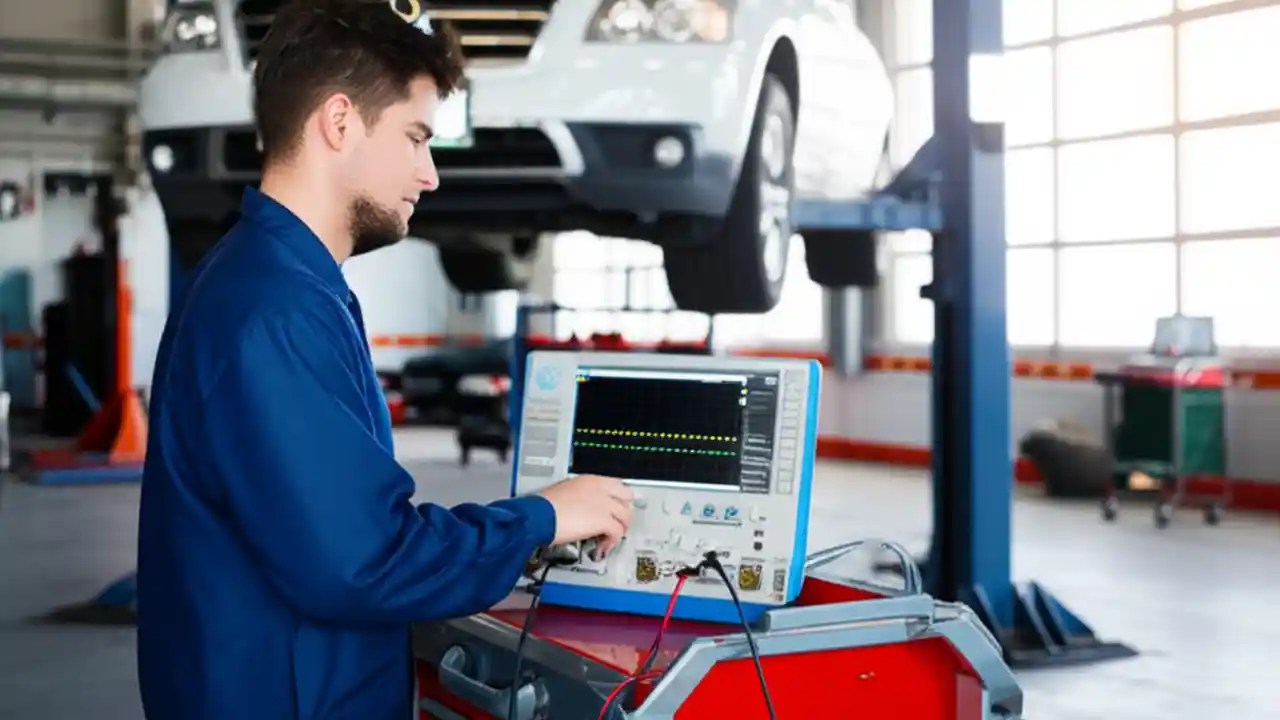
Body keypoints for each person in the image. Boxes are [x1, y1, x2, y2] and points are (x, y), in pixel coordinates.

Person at [135, 1, 634, 718]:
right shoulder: (275, 310)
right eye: (416, 137)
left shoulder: (268, 281)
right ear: (339, 123)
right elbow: (362, 562)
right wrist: (541, 520)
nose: (429, 174)